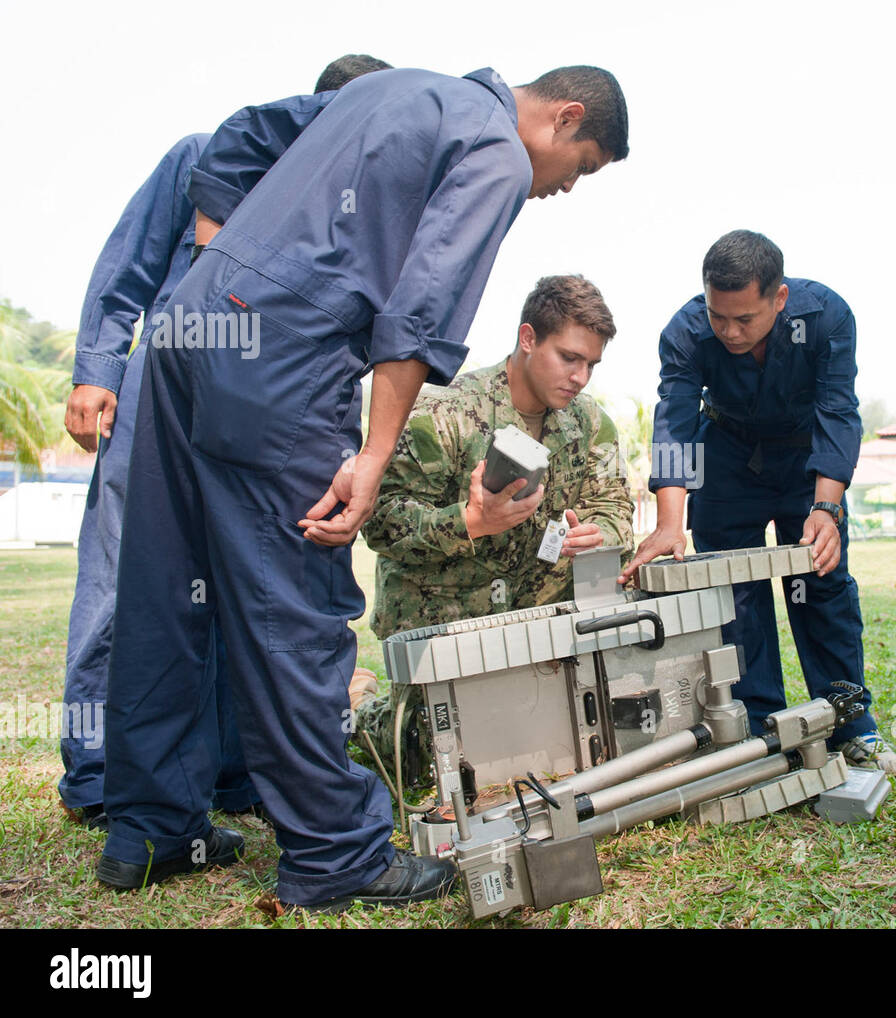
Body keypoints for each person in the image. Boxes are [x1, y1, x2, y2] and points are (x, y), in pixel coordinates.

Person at [95, 65, 629, 914]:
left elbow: (239, 139)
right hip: (284, 359)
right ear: (564, 118)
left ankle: (153, 830)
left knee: (164, 586)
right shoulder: (493, 150)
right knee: (295, 597)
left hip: (188, 328)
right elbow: (420, 308)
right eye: (583, 166)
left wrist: (228, 263)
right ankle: (333, 855)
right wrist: (375, 454)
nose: (564, 188)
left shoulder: (398, 88)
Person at [59, 54, 391, 832]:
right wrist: (97, 370)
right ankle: (100, 770)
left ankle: (229, 769)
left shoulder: (355, 205)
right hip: (164, 394)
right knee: (124, 586)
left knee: (240, 592)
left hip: (263, 419)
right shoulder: (207, 154)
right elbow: (129, 267)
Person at [619, 230, 896, 777]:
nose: (727, 331)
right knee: (734, 590)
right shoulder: (685, 331)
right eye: (717, 314)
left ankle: (851, 727)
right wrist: (670, 521)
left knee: (819, 582)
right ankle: (759, 732)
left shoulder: (827, 317)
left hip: (804, 462)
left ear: (779, 298)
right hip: (727, 457)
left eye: (743, 319)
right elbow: (676, 417)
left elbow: (838, 410)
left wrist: (827, 511)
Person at [355, 275, 634, 786]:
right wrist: (469, 523)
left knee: (543, 748)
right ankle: (359, 706)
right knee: (426, 764)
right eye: (569, 357)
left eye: (591, 364)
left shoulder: (588, 422)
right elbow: (381, 523)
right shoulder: (444, 412)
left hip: (535, 623)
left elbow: (615, 503)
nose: (580, 377)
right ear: (528, 339)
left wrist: (601, 531)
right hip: (445, 620)